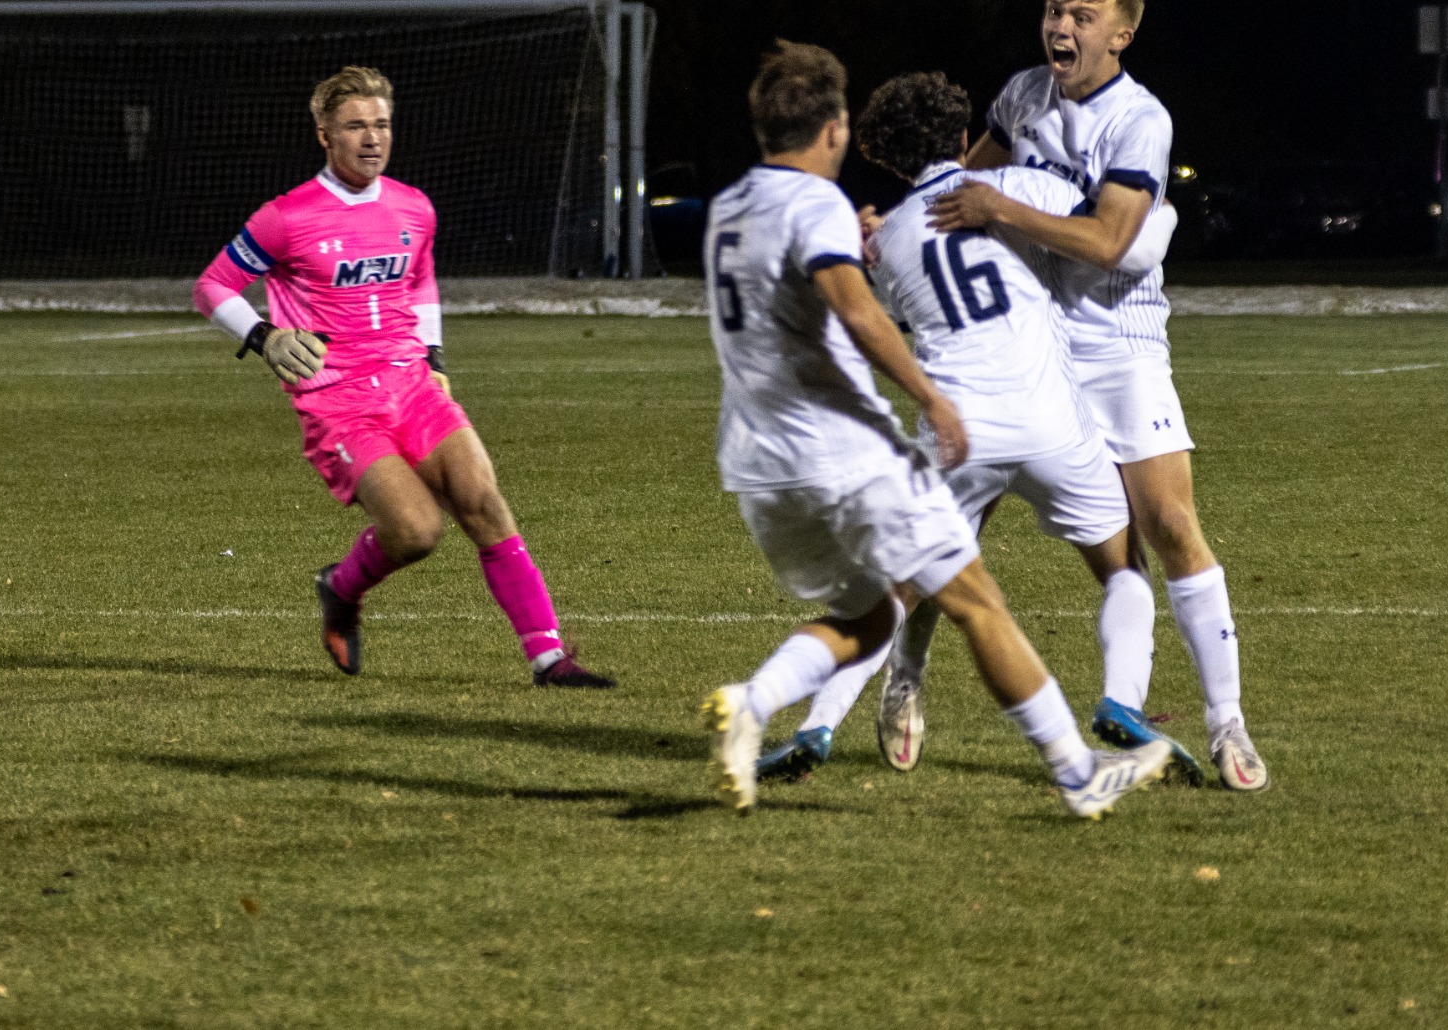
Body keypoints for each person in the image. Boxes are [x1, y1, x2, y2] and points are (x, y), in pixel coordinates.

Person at [698, 40, 1169, 818]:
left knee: (881, 603)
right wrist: (927, 392)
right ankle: (1086, 766)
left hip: (763, 457)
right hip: (924, 437)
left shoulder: (756, 213)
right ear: (837, 131)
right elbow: (1111, 236)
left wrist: (868, 241)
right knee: (1017, 591)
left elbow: (842, 278)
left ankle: (782, 710)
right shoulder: (1007, 187)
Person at [927, 0, 1268, 791]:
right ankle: (901, 688)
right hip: (1031, 345)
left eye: (1081, 17)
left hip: (1118, 343)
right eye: (1053, 12)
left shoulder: (1139, 120)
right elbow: (966, 186)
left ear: (1122, 35)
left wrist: (1001, 209)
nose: (1061, 29)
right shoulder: (1021, 95)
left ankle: (1228, 725)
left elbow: (1110, 241)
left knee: (1171, 526)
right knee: (950, 518)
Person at [192, 65, 613, 688]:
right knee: (416, 532)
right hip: (338, 402)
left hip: (412, 383)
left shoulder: (414, 207)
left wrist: (435, 360)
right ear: (324, 135)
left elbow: (420, 283)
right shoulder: (288, 217)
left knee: (484, 502)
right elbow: (212, 284)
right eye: (355, 125)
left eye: (382, 124)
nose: (372, 138)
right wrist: (264, 336)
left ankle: (549, 659)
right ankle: (340, 587)